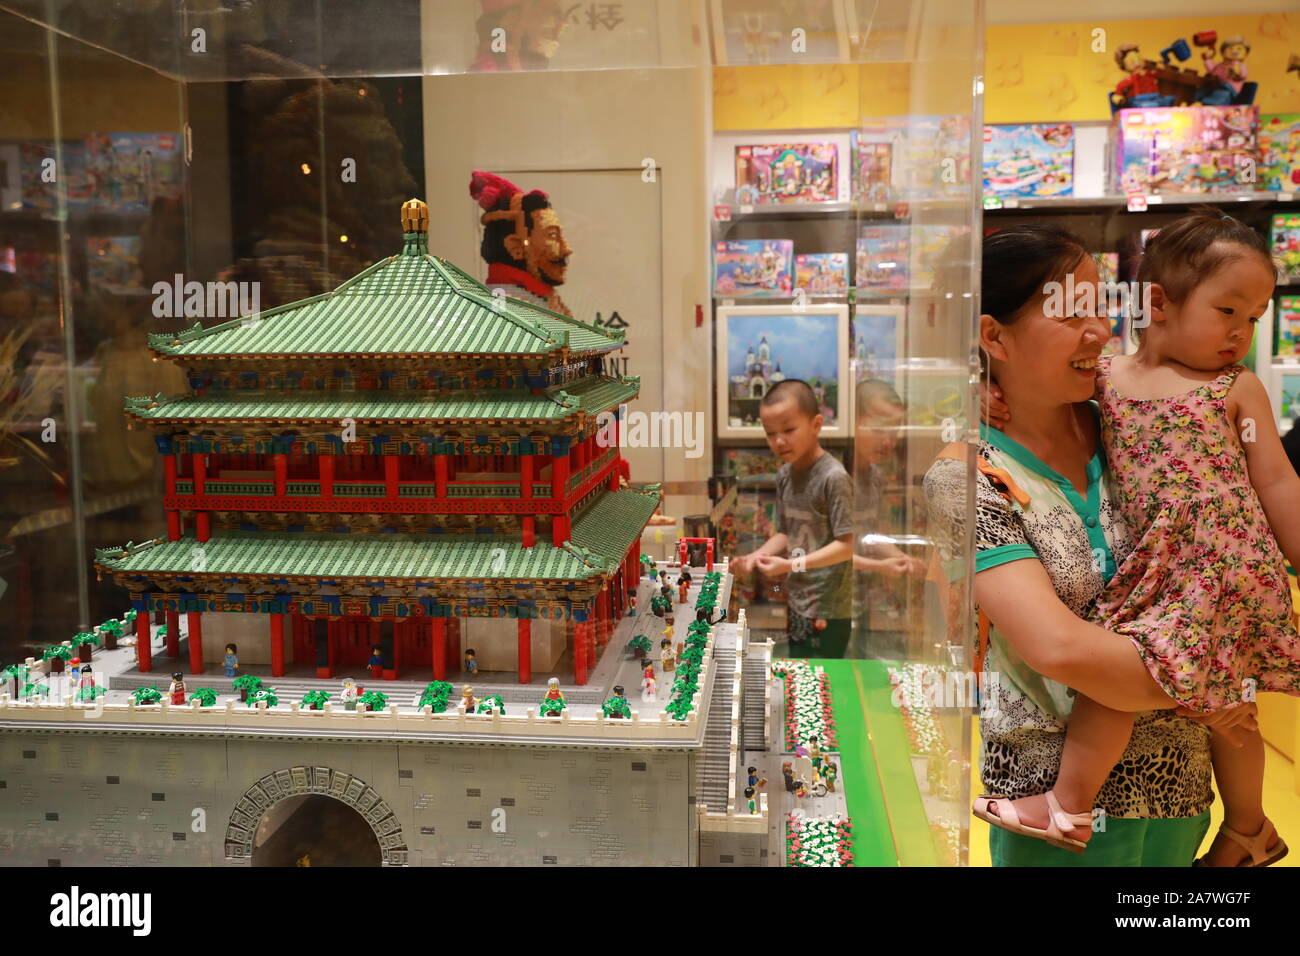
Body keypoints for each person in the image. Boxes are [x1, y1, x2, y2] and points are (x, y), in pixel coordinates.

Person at [925, 222, 1257, 867]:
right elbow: (1058, 648)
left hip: (1180, 791)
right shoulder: (967, 477)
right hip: (1053, 812)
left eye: (1102, 308)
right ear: (995, 336)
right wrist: (1214, 682)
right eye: (1071, 312)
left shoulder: (1135, 425)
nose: (1100, 330)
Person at [730, 379, 854, 657]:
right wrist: (754, 557)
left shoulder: (834, 477)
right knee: (799, 672)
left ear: (816, 424)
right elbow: (786, 532)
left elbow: (847, 546)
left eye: (788, 429)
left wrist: (789, 564)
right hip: (798, 600)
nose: (779, 441)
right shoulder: (785, 473)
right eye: (770, 433)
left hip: (829, 607)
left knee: (823, 681)